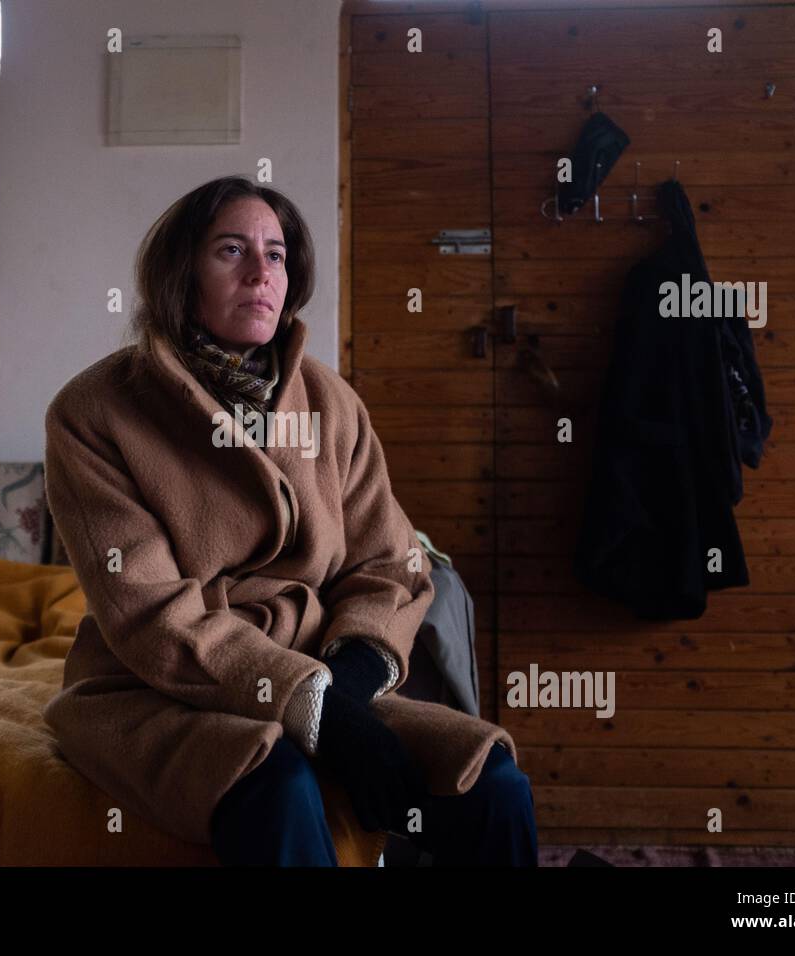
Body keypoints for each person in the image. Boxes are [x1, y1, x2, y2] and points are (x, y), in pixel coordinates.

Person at [41, 174, 537, 866]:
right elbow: (151, 616)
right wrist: (319, 715)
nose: (259, 272)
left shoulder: (331, 401)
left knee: (493, 785)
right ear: (181, 271)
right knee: (275, 785)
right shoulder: (94, 412)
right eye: (231, 251)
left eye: (275, 254)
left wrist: (350, 689)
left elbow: (391, 563)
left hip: (323, 674)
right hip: (159, 688)